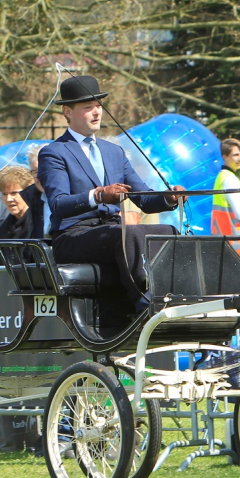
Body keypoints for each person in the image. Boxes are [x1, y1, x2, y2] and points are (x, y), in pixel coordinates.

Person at [37, 75, 186, 313]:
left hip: (111, 231)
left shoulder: (114, 152)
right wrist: (97, 196)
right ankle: (144, 302)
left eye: (99, 106)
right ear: (67, 111)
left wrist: (168, 198)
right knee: (127, 234)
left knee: (167, 231)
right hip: (74, 235)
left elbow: (143, 198)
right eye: (88, 107)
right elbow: (58, 204)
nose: (97, 112)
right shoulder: (54, 153)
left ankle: (176, 293)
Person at [0, 165, 38, 240]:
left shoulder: (38, 224)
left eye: (14, 193)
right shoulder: (3, 227)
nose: (8, 199)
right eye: (4, 194)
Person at [26, 145, 49, 238]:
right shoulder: (27, 199)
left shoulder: (74, 196)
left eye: (45, 170)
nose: (40, 176)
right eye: (35, 172)